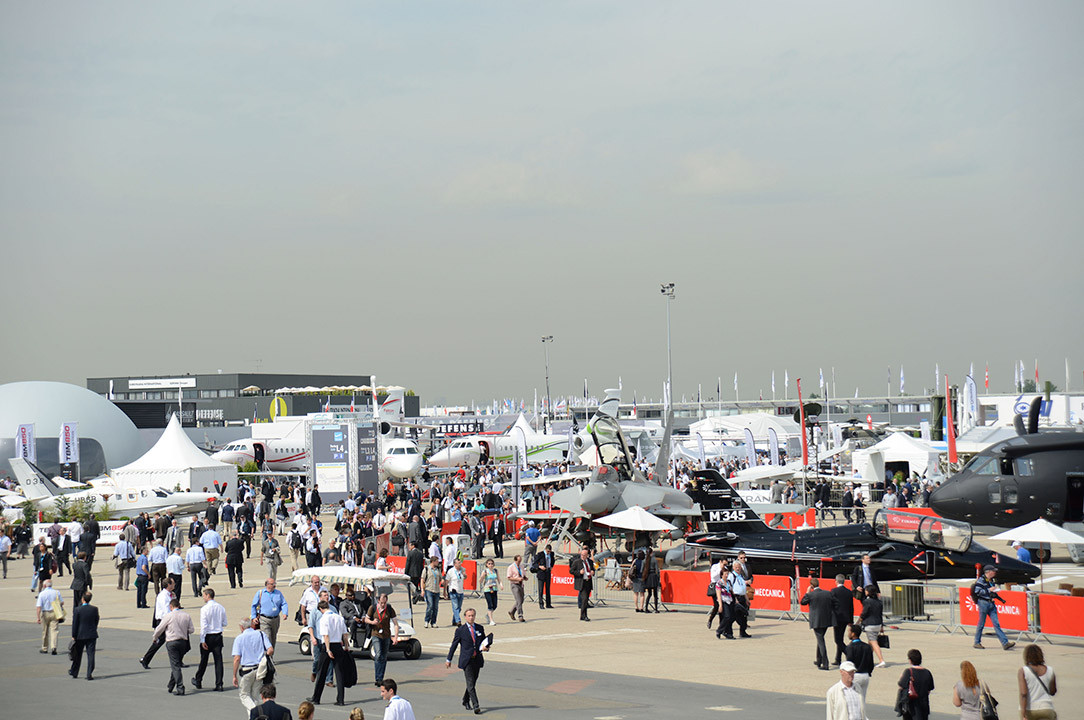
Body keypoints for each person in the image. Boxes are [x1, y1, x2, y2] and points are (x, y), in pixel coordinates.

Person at [446, 608, 489, 714]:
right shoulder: (460, 630)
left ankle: (465, 700)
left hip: (477, 659)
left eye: (473, 615)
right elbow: (454, 645)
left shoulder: (479, 628)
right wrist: (449, 659)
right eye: (469, 616)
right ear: (465, 617)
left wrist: (486, 647)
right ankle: (476, 705)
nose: (471, 618)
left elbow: (484, 642)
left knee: (473, 682)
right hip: (467, 660)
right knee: (470, 682)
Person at [309, 600, 349, 706]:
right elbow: (345, 634)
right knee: (339, 673)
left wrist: (327, 649)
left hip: (328, 646)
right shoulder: (339, 618)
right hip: (338, 645)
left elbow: (326, 635)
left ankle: (316, 698)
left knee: (321, 672)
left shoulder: (324, 618)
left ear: (321, 609)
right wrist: (346, 646)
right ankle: (340, 699)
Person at [152, 597, 195, 695]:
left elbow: (160, 628)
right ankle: (171, 685)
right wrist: (183, 630)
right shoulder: (186, 615)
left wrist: (155, 637)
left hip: (172, 642)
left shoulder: (169, 616)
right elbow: (191, 630)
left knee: (175, 665)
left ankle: (180, 687)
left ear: (171, 606)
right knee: (177, 663)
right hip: (183, 642)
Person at [232, 616, 274, 712]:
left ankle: (255, 712)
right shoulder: (261, 634)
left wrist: (234, 675)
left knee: (244, 695)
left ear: (241, 627)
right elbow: (270, 650)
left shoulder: (239, 638)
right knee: (255, 696)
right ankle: (255, 716)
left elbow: (237, 659)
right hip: (259, 670)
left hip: (247, 670)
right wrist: (264, 656)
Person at [972, 565, 1016, 651]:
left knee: (996, 624)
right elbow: (977, 591)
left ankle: (1005, 643)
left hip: (991, 603)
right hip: (983, 603)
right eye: (993, 571)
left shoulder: (991, 581)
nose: (995, 572)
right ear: (988, 572)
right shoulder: (981, 580)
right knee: (981, 624)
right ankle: (977, 642)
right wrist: (989, 590)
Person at [193, 587, 228, 691]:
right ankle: (219, 683)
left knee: (204, 660)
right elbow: (225, 623)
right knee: (218, 660)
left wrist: (202, 640)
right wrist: (217, 624)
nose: (203, 597)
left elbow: (204, 626)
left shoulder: (204, 609)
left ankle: (198, 679)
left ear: (208, 595)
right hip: (218, 635)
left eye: (204, 595)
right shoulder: (221, 607)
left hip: (208, 636)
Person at [364, 592, 399, 687]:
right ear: (378, 601)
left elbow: (395, 623)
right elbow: (366, 619)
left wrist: (395, 636)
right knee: (378, 654)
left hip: (386, 635)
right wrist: (372, 622)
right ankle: (378, 678)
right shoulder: (373, 608)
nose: (383, 605)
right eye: (381, 603)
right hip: (376, 634)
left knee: (384, 656)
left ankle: (381, 677)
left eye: (384, 603)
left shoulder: (389, 609)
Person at [141, 577, 176, 668]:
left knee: (176, 640)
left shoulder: (170, 594)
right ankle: (145, 659)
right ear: (168, 585)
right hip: (163, 620)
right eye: (173, 583)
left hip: (168, 619)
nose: (174, 584)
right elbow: (166, 610)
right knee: (159, 641)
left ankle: (178, 660)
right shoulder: (163, 596)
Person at [801, 577, 833, 670]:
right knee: (820, 639)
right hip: (826, 620)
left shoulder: (811, 595)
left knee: (821, 641)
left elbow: (802, 602)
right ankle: (819, 660)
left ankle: (825, 663)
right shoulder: (827, 593)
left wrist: (807, 592)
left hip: (816, 621)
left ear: (811, 586)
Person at [1018, 644, 1057, 720]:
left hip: (1029, 709)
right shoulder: (1050, 670)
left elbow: (1023, 694)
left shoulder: (1023, 671)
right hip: (1046, 708)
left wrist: (1023, 714)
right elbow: (1052, 692)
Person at [69, 590, 99, 680]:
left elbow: (75, 623)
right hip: (91, 634)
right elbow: (96, 620)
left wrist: (74, 635)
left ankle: (75, 672)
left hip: (80, 635)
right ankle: (89, 673)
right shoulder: (94, 609)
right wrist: (93, 628)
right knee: (91, 655)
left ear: (83, 599)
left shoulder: (77, 610)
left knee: (78, 654)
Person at [897, 648, 935, 720]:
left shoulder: (908, 672)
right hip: (924, 704)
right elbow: (929, 689)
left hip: (911, 705)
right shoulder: (927, 672)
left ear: (910, 660)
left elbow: (901, 686)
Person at [252, 577, 290, 648]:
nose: (274, 585)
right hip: (264, 619)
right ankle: (267, 653)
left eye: (275, 584)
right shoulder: (260, 593)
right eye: (272, 584)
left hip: (275, 619)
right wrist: (254, 617)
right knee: (267, 637)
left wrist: (285, 613)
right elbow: (254, 606)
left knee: (273, 638)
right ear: (267, 584)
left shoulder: (278, 593)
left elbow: (284, 603)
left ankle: (271, 653)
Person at [843, 623, 875, 706]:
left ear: (853, 634)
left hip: (855, 675)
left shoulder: (850, 647)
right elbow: (871, 663)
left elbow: (849, 663)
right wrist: (868, 672)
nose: (848, 634)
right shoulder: (867, 647)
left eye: (849, 632)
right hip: (865, 675)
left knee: (852, 699)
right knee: (862, 699)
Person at [859, 585, 887, 667]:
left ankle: (881, 660)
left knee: (873, 642)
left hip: (870, 624)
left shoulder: (867, 602)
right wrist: (882, 626)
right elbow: (880, 614)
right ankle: (867, 660)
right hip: (878, 624)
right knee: (870, 643)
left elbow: (864, 613)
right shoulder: (879, 602)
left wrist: (858, 622)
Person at [830, 574, 854, 666]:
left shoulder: (834, 591)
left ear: (836, 581)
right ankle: (838, 658)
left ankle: (849, 654)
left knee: (837, 640)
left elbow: (831, 604)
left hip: (837, 617)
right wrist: (851, 620)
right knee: (840, 638)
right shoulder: (848, 592)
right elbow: (851, 607)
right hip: (846, 618)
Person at [36, 578, 63, 654]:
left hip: (45, 612)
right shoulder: (56, 592)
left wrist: (38, 617)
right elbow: (62, 602)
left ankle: (45, 648)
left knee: (45, 631)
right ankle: (54, 647)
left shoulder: (42, 594)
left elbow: (38, 607)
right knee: (54, 631)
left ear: (44, 586)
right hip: (54, 612)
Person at [570, 548, 594, 621]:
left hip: (588, 582)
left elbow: (592, 569)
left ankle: (582, 616)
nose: (582, 556)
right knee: (584, 599)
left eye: (584, 555)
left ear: (587, 555)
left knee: (586, 599)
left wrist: (593, 572)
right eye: (582, 555)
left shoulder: (590, 561)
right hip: (582, 582)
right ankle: (584, 615)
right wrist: (579, 572)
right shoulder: (577, 562)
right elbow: (571, 571)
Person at [480, 558, 503, 626]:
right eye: (489, 564)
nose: (491, 565)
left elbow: (499, 579)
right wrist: (482, 576)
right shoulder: (485, 571)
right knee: (490, 604)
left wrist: (501, 585)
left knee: (495, 605)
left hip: (494, 589)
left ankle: (488, 614)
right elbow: (480, 581)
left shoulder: (495, 571)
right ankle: (491, 620)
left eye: (492, 564)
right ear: (487, 565)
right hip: (487, 589)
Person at [421, 556, 442, 628]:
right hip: (429, 589)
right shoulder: (426, 569)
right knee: (430, 606)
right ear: (433, 561)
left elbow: (440, 578)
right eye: (437, 561)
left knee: (435, 607)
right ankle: (426, 620)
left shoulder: (438, 569)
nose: (438, 562)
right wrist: (422, 590)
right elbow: (422, 579)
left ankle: (433, 622)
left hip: (436, 590)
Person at [534, 543, 555, 610]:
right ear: (545, 549)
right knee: (541, 589)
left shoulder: (551, 554)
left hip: (548, 572)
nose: (548, 553)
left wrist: (551, 566)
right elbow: (534, 563)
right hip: (541, 573)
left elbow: (553, 560)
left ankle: (548, 604)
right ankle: (541, 603)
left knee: (548, 589)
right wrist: (540, 566)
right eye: (547, 551)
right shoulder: (540, 554)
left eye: (549, 551)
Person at [705, 555, 724, 626]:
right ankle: (710, 619)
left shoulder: (725, 568)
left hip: (722, 587)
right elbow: (713, 576)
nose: (724, 565)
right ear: (720, 562)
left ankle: (721, 624)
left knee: (722, 605)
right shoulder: (715, 567)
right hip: (715, 586)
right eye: (724, 564)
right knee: (716, 605)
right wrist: (720, 569)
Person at [506, 554, 526, 622]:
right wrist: (517, 579)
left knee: (521, 600)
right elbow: (509, 577)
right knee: (519, 600)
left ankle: (512, 611)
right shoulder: (511, 567)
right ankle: (520, 615)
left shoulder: (521, 566)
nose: (519, 562)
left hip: (521, 584)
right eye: (518, 561)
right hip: (514, 584)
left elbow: (523, 574)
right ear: (515, 560)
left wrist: (524, 577)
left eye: (520, 561)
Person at [446, 558, 466, 626]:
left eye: (460, 563)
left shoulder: (462, 570)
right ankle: (458, 621)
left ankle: (454, 620)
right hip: (453, 591)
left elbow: (465, 577)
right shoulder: (451, 571)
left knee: (459, 608)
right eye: (458, 563)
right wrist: (445, 591)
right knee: (455, 607)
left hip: (460, 591)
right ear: (454, 564)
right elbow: (447, 581)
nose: (460, 564)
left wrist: (464, 574)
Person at [135, 544, 151, 608]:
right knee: (143, 591)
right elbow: (143, 567)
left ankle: (138, 603)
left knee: (139, 591)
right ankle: (143, 604)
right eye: (147, 550)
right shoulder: (144, 558)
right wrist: (148, 574)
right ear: (144, 551)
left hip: (139, 576)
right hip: (143, 576)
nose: (148, 551)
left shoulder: (139, 558)